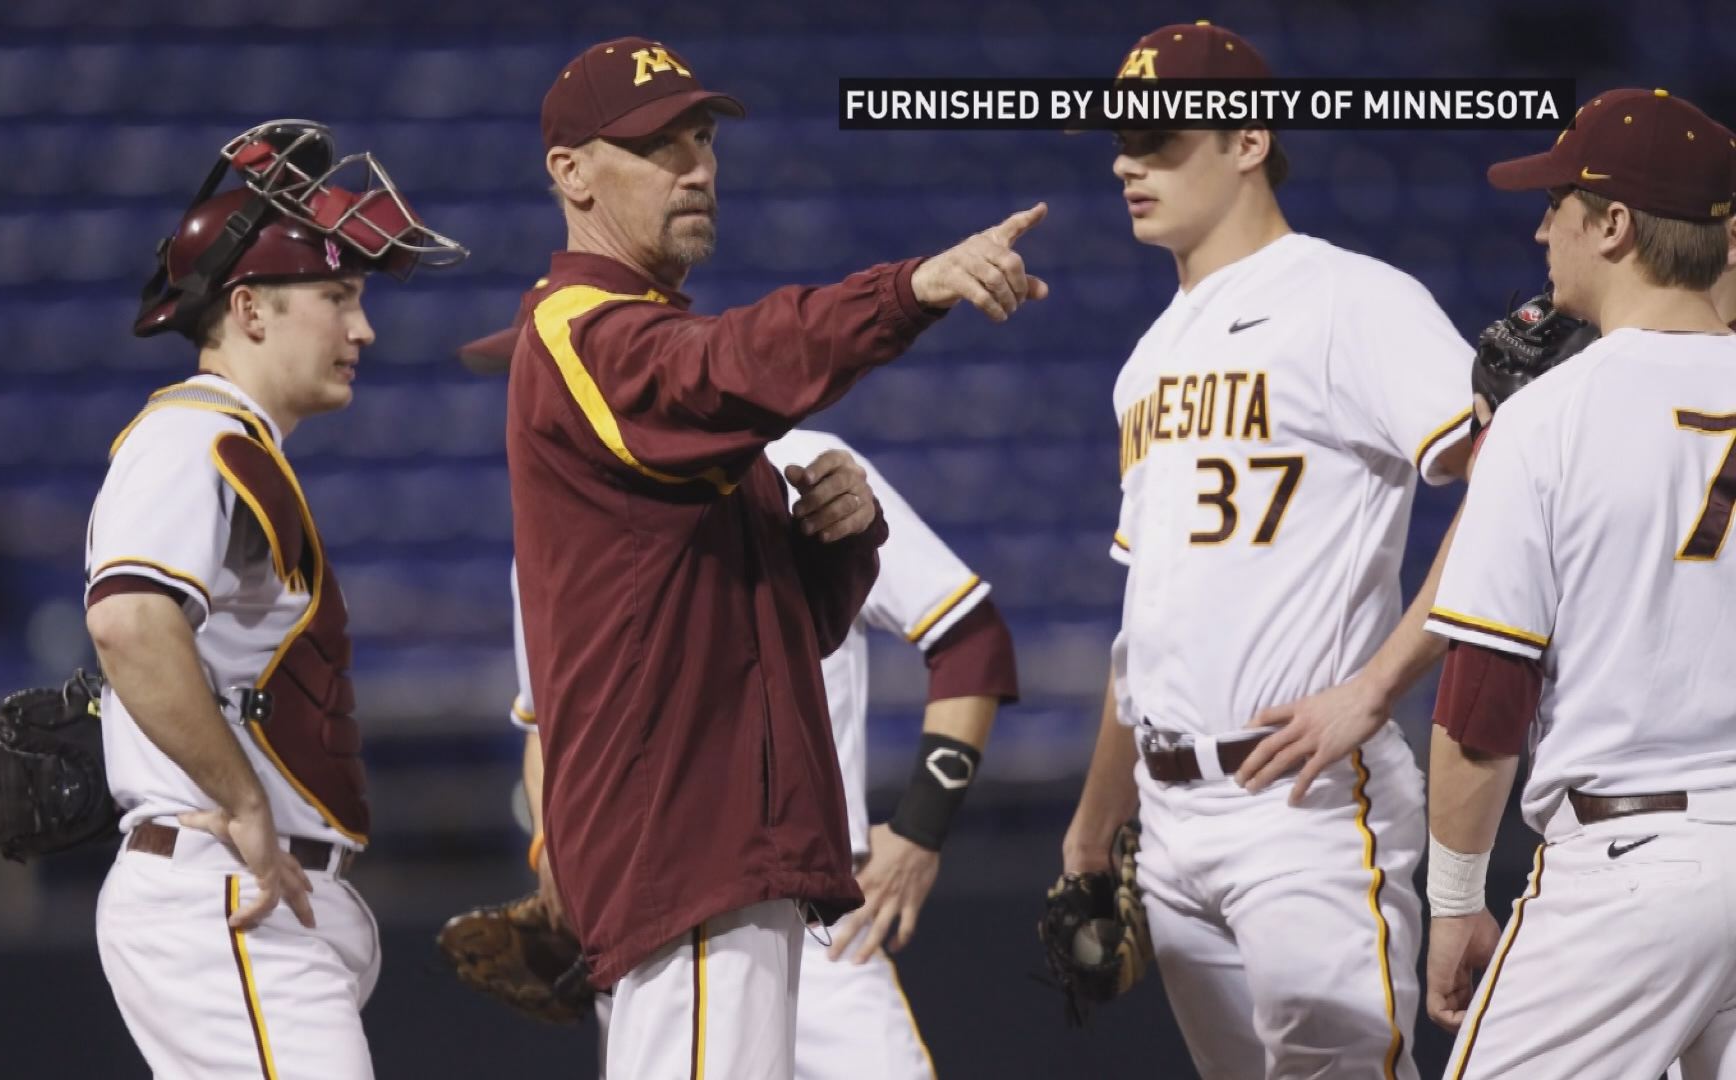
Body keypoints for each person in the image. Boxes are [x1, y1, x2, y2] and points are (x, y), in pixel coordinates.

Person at [509, 35, 1046, 1080]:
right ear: (569, 172)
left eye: (703, 140)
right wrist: (911, 290)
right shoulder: (582, 332)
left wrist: (834, 551)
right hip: (688, 846)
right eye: (657, 146)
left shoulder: (651, 364)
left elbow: (759, 640)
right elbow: (723, 366)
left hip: (725, 852)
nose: (698, 167)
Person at [1055, 22, 1475, 1079]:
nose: (1126, 163)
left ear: (1248, 138)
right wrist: (1097, 820)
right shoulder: (1147, 358)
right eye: (1121, 141)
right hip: (1169, 817)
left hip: (1306, 806)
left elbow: (1519, 487)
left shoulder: (1350, 298)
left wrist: (1377, 685)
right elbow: (1147, 615)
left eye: (1159, 139)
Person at [84, 120, 464, 1078]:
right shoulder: (190, 437)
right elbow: (129, 621)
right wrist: (243, 801)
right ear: (249, 309)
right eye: (337, 296)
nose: (362, 328)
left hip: (248, 898)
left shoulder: (235, 447)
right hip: (222, 890)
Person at [1423, 88, 1736, 1079]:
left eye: (1557, 201)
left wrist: (1456, 900)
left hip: (1632, 874)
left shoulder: (1550, 416)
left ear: (1615, 225)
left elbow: (1482, 702)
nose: (1537, 225)